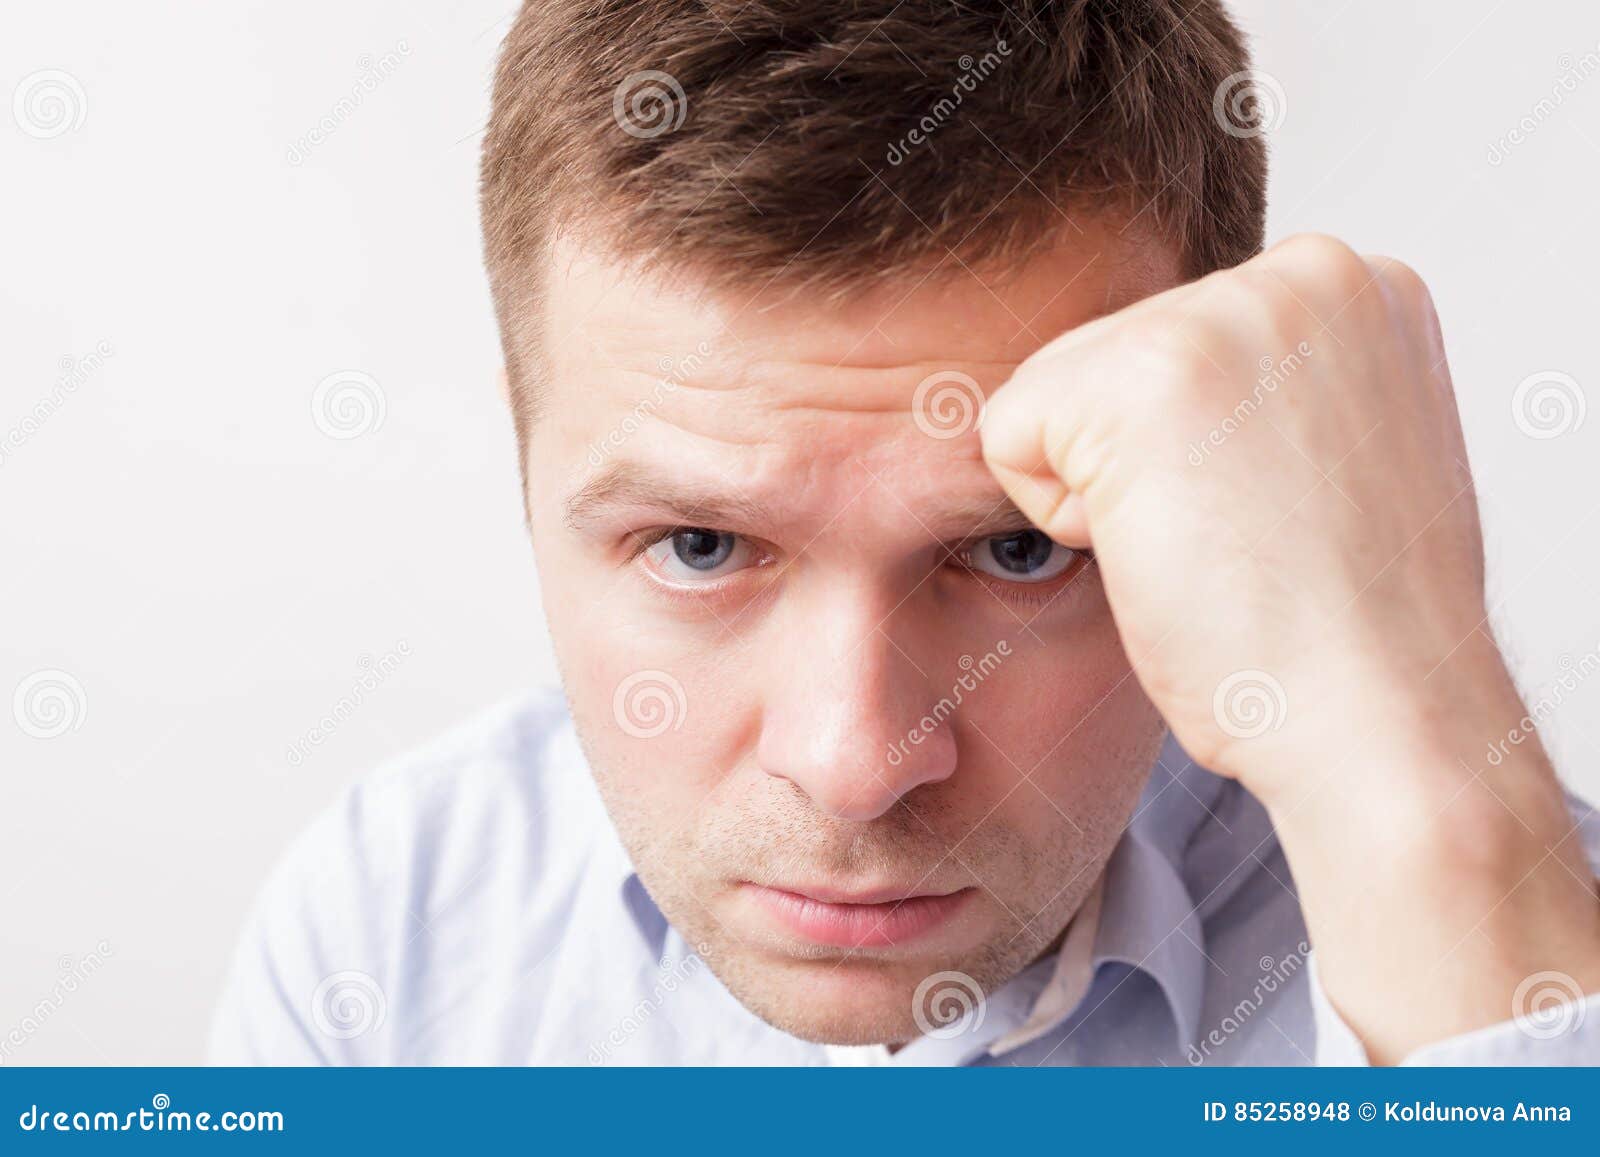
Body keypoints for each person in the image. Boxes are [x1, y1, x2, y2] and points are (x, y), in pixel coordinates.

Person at [211, 0, 1600, 1065]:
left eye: (1017, 551)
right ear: (524, 461)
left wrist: (1429, 773)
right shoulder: (391, 934)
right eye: (701, 545)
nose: (858, 763)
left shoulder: (1530, 939)